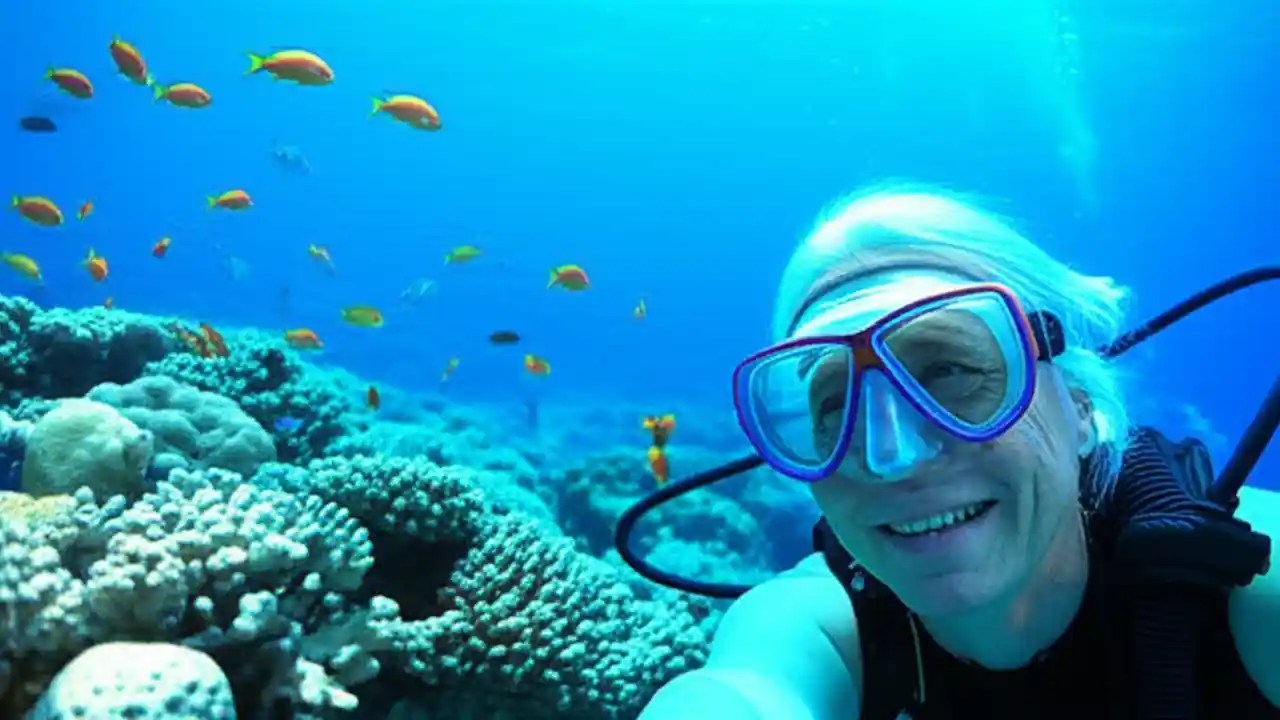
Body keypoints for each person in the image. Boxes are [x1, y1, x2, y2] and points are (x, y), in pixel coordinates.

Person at [636, 184, 1280, 719]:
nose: (892, 456)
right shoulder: (819, 626)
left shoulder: (1247, 580)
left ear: (1082, 411)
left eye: (949, 371)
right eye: (835, 407)